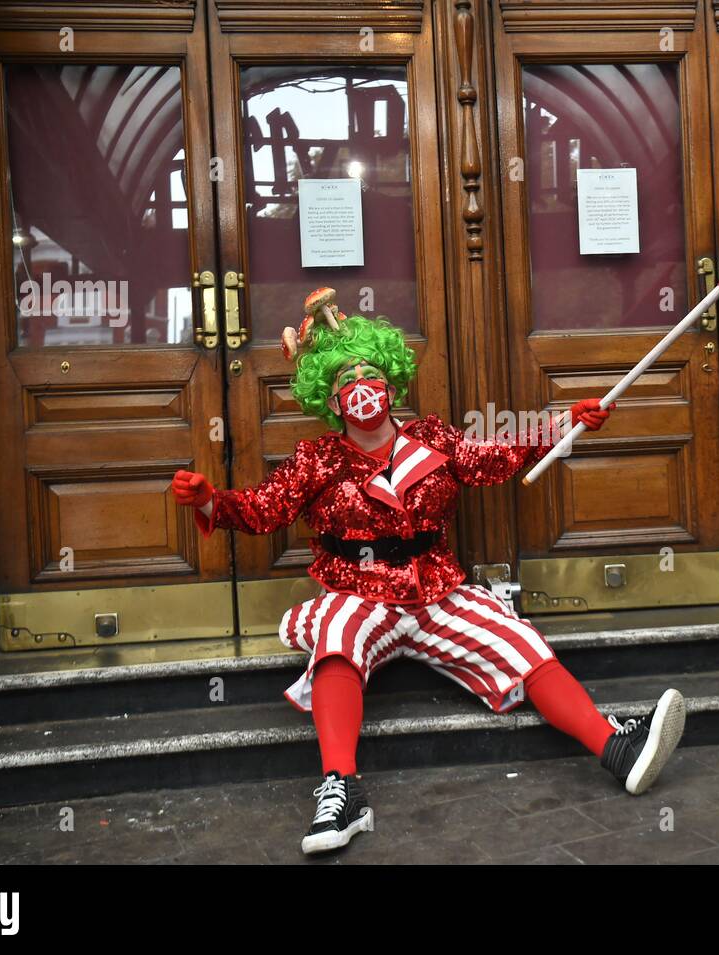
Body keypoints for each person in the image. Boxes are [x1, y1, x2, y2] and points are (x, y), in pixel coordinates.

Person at [172, 288, 686, 855]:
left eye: (371, 375)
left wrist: (563, 422)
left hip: (438, 589)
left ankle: (615, 749)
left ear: (391, 383)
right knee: (338, 635)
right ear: (333, 398)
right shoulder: (315, 458)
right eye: (347, 381)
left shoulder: (432, 438)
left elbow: (493, 455)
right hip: (357, 591)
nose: (362, 388)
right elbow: (264, 510)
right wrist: (208, 500)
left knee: (518, 640)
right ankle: (341, 791)